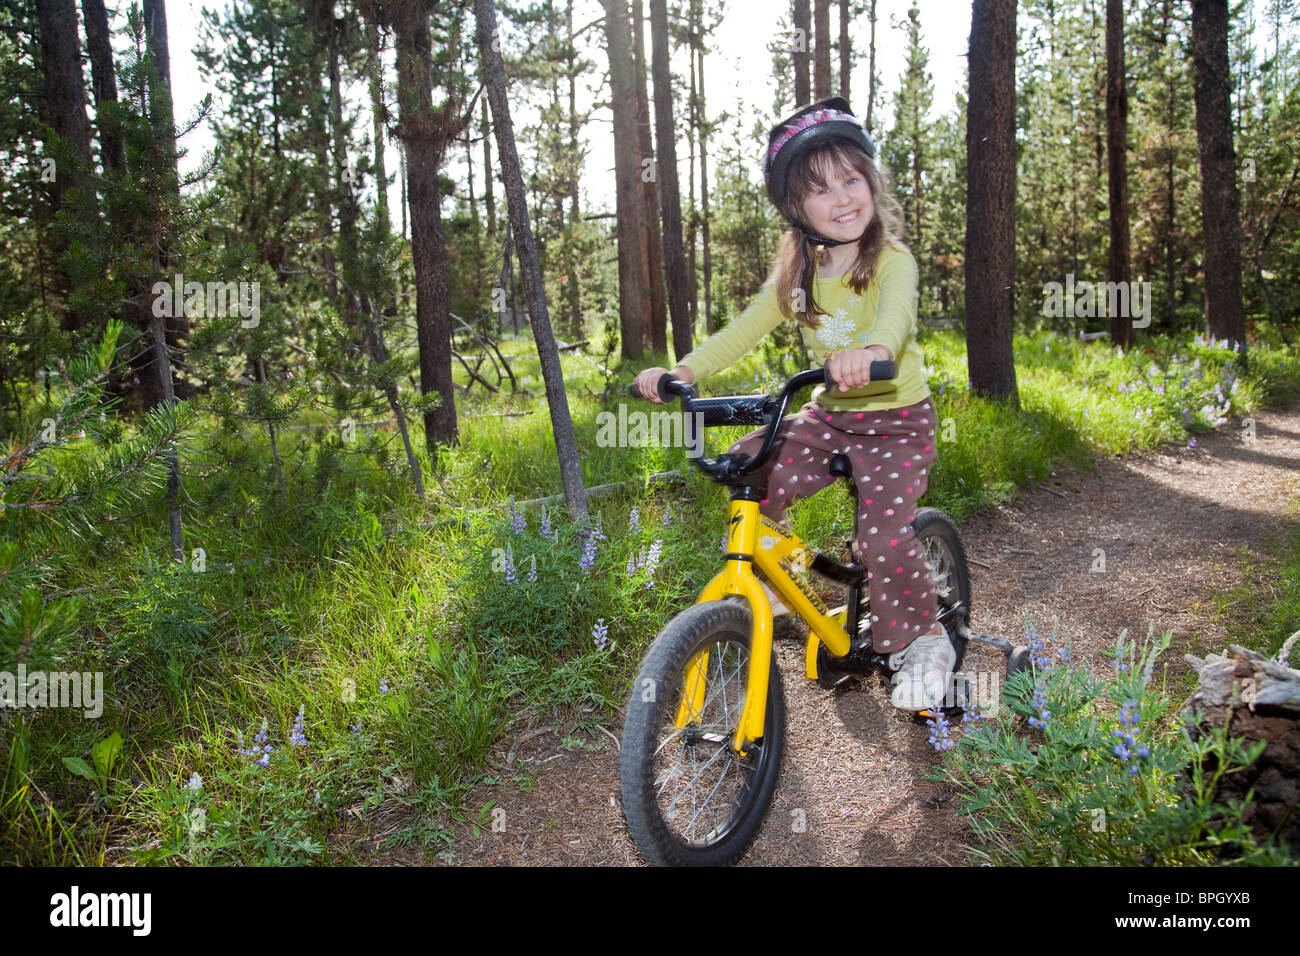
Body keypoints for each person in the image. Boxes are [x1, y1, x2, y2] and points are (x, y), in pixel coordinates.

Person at [633, 97, 953, 713]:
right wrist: (682, 371)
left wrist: (874, 348)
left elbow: (897, 313)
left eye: (851, 179)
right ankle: (777, 589)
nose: (842, 198)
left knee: (882, 537)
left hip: (896, 423)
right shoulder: (798, 276)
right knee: (748, 468)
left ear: (871, 182)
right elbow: (744, 329)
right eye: (821, 190)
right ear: (797, 210)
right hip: (834, 417)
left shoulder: (889, 260)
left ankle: (924, 636)